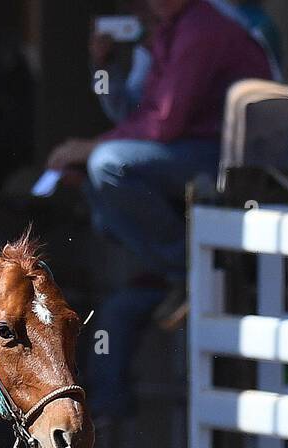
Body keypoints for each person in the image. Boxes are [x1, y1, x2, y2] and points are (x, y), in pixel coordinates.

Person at [49, 0, 271, 421]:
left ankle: (188, 270)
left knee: (108, 167)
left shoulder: (203, 26)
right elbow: (133, 113)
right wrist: (107, 67)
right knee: (98, 186)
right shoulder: (166, 30)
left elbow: (162, 124)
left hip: (226, 164)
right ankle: (181, 274)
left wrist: (92, 149)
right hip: (181, 171)